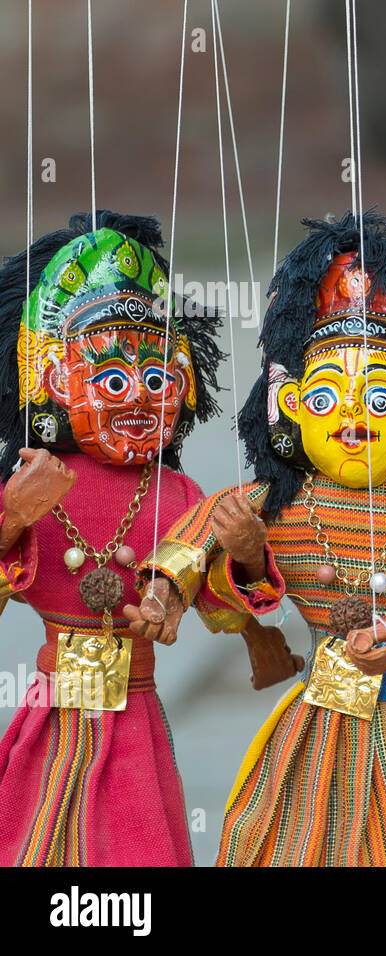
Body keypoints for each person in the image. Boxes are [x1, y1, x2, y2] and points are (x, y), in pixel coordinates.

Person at [133, 212, 386, 866]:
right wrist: (166, 593)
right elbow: (200, 537)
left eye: (380, 401)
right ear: (296, 406)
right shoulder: (285, 499)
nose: (354, 416)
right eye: (329, 400)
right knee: (278, 841)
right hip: (309, 726)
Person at [0, 211, 225, 865]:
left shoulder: (177, 494)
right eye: (113, 380)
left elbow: (220, 597)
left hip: (136, 712)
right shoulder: (31, 477)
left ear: (182, 388)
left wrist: (192, 582)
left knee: (140, 845)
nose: (139, 399)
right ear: (55, 383)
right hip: (51, 712)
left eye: (157, 381)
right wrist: (14, 517)